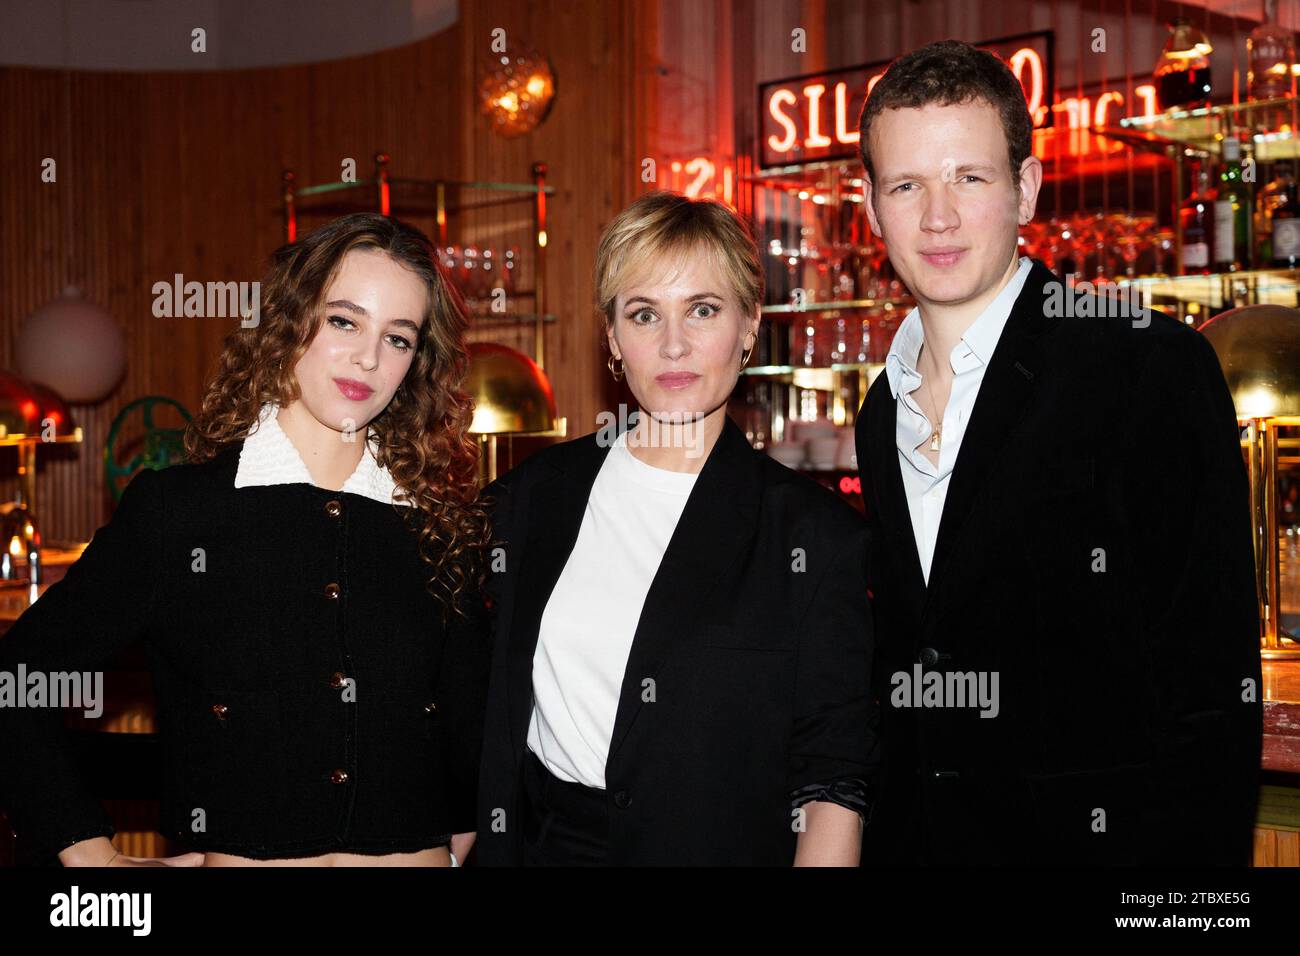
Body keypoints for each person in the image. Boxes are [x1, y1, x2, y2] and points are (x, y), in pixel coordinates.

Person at [853, 39, 1262, 865]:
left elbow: (1211, 698)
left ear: (1026, 189)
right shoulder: (878, 407)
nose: (937, 216)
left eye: (969, 178)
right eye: (907, 185)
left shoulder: (1148, 366)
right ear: (869, 207)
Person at [0, 212, 491, 867]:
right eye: (343, 320)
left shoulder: (437, 523)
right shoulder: (179, 514)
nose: (369, 358)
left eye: (398, 338)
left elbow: (471, 729)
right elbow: (16, 681)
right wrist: (90, 856)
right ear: (289, 320)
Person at [474, 190, 878, 866]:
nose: (673, 344)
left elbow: (831, 777)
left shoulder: (815, 538)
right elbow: (479, 708)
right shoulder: (529, 500)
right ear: (612, 336)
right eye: (643, 314)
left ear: (750, 326)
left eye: (703, 309)